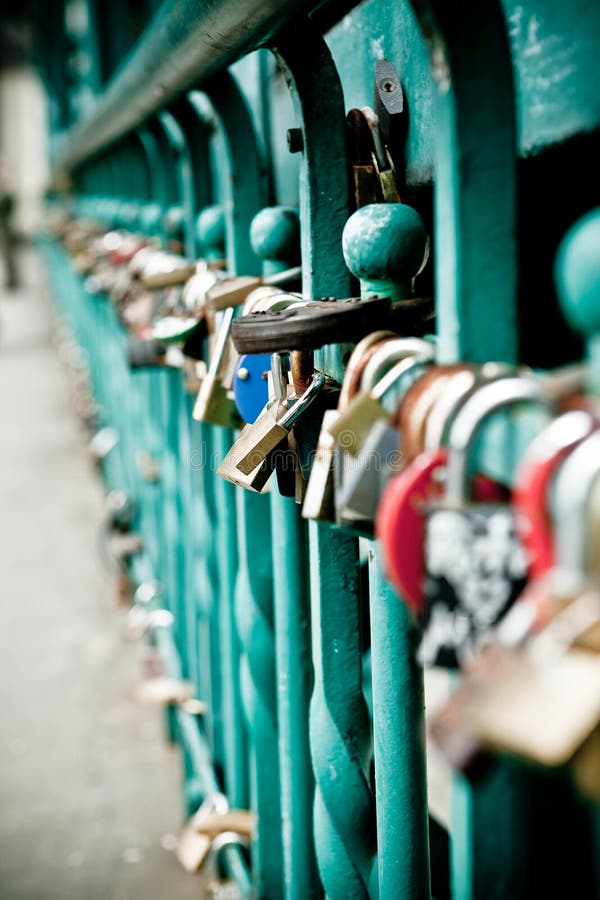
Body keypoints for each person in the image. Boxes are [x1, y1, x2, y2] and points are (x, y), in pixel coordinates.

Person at [0, 158, 18, 289]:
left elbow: (10, 203)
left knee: (7, 253)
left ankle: (11, 281)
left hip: (4, 225)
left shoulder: (6, 188)